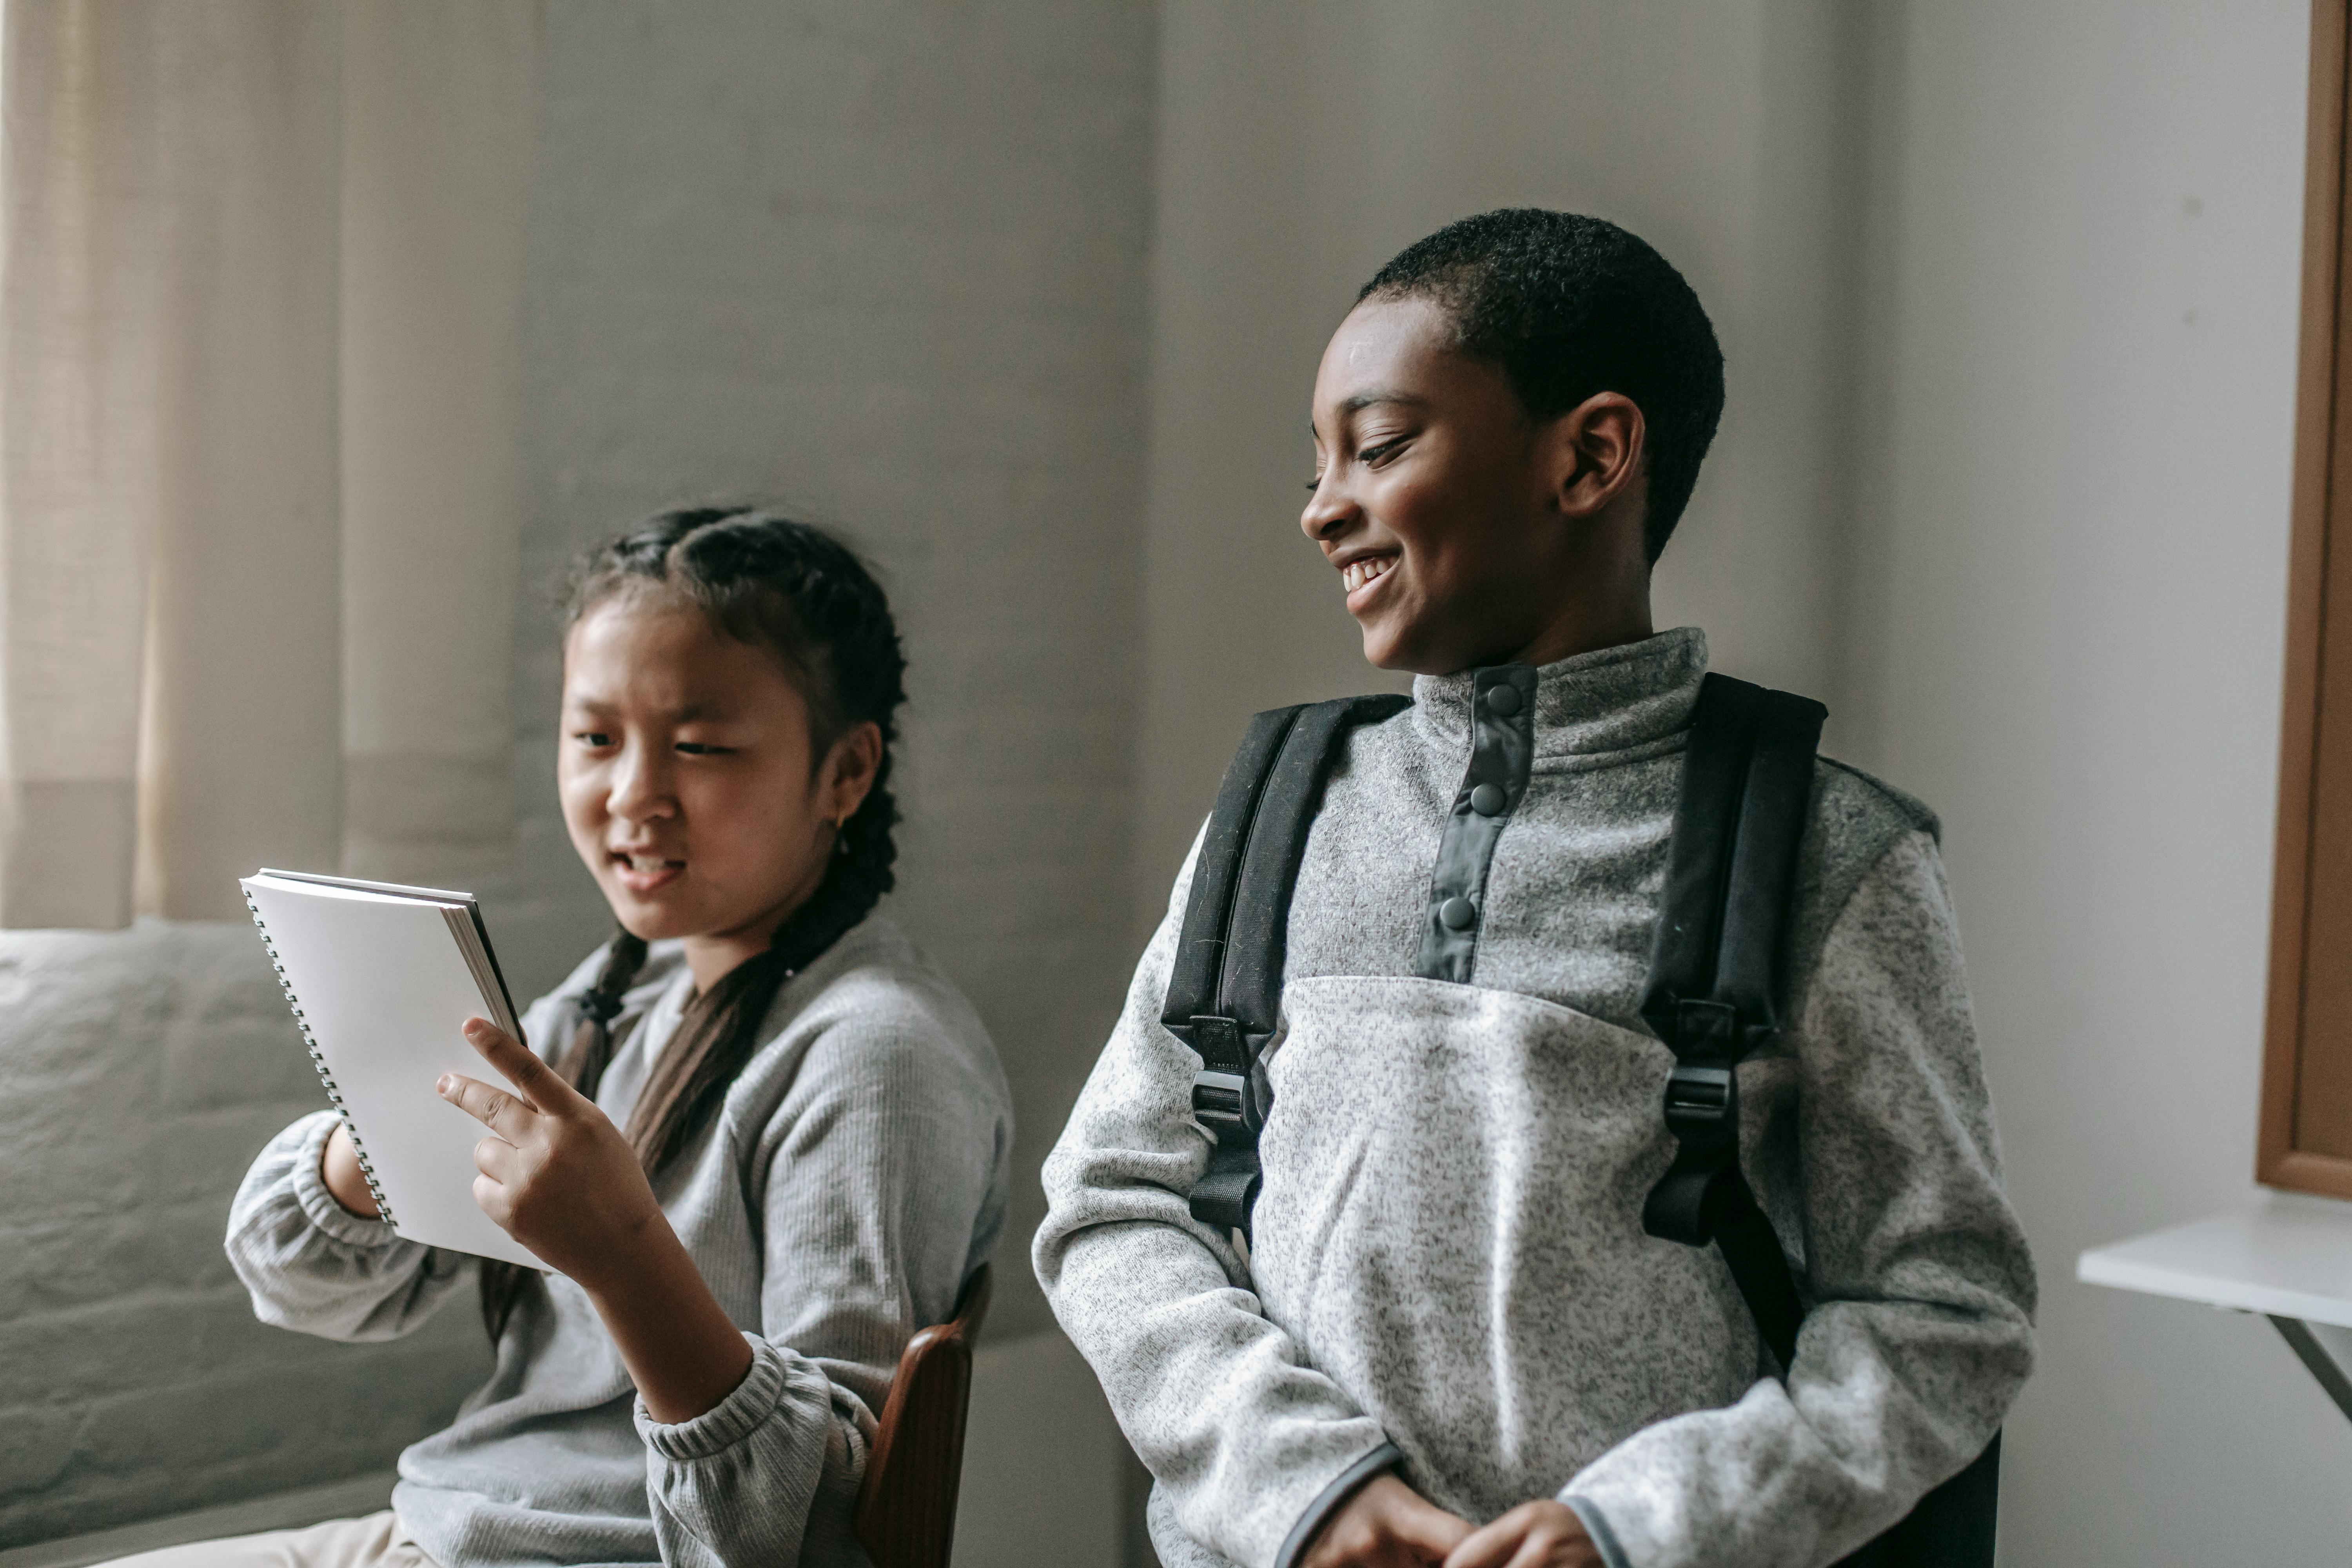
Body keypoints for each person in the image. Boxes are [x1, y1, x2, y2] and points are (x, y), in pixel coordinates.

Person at [1034, 209, 2036, 1568]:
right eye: (1319, 462)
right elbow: (1115, 1204)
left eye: (1379, 448)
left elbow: (1942, 1314)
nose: (1323, 506)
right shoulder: (1275, 815)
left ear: (1592, 456)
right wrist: (1309, 1491)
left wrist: (1635, 1530)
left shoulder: (1828, 850)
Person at [174, 509, 1010, 1568]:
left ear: (845, 774)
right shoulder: (621, 996)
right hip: (451, 1525)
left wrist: (624, 1255)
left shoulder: (877, 1058)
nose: (632, 797)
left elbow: (822, 1533)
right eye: (595, 739)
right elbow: (299, 1290)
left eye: (701, 746)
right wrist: (375, 1130)